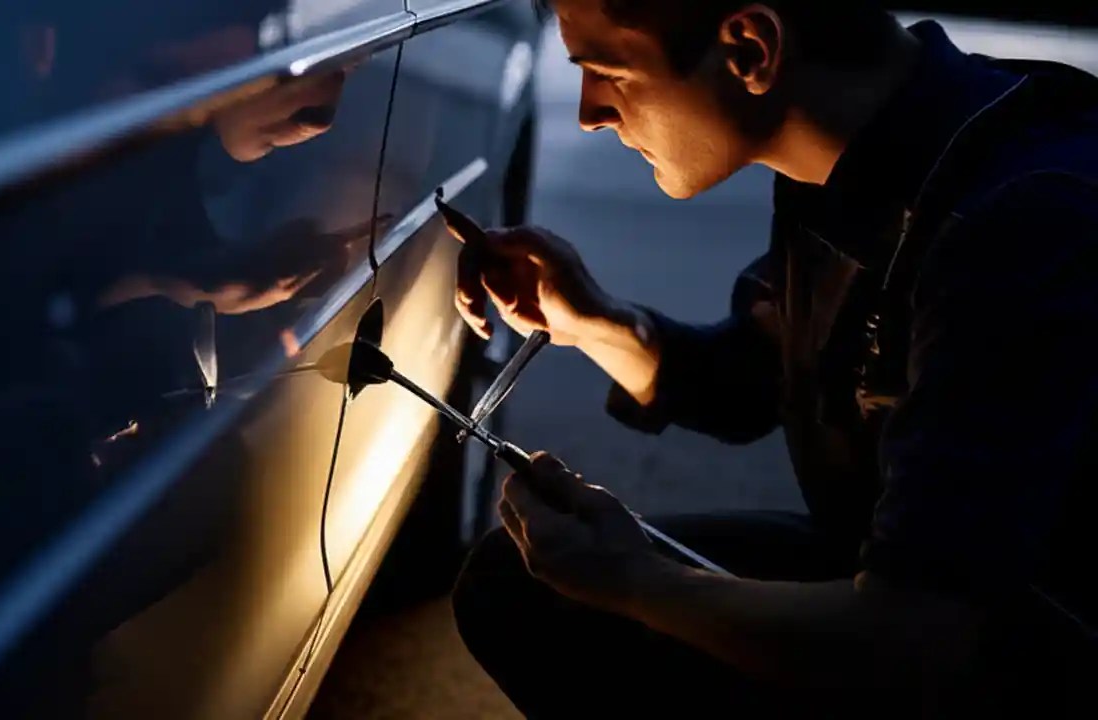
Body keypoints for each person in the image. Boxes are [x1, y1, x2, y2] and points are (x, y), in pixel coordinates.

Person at [449, 1, 1098, 716]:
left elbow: (918, 638)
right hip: (897, 588)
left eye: (609, 73)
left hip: (1010, 655)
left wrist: (633, 582)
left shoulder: (1019, 219)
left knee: (556, 603)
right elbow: (757, 381)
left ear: (750, 49)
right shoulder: (850, 149)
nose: (590, 113)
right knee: (517, 584)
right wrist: (599, 323)